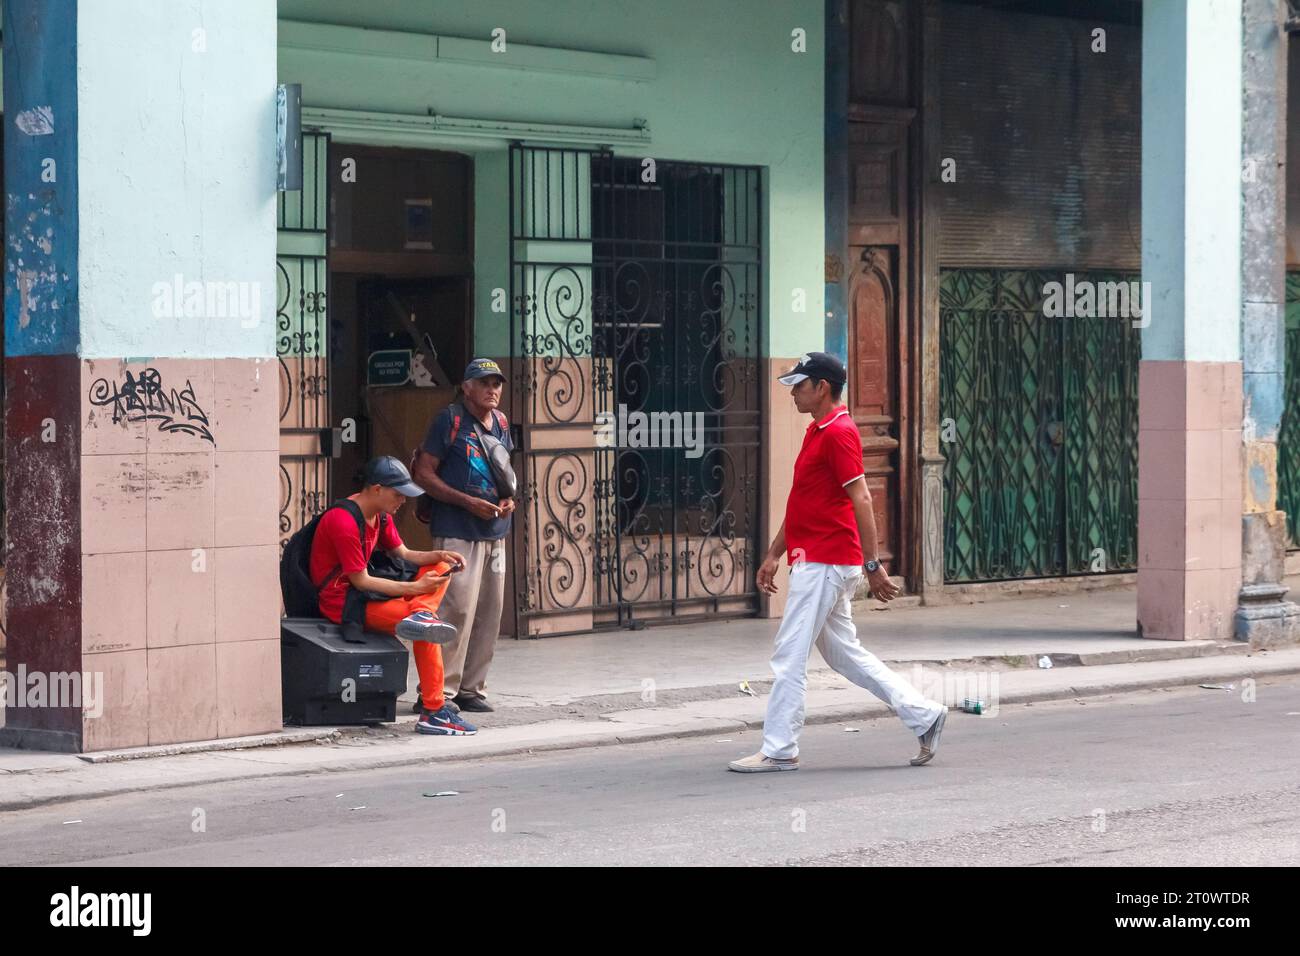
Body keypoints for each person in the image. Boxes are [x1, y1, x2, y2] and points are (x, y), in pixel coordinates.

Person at [728, 352, 949, 772]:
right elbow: (804, 505)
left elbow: (862, 498)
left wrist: (873, 563)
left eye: (800, 385)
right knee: (845, 654)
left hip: (827, 563)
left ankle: (780, 749)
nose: (794, 392)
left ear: (822, 388)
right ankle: (924, 714)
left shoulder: (839, 433)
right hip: (815, 559)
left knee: (790, 653)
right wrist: (774, 554)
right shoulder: (818, 430)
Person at [309, 455, 478, 736]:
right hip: (344, 601)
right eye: (398, 495)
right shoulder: (343, 520)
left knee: (442, 570)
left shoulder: (382, 515)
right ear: (376, 489)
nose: (403, 501)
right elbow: (360, 581)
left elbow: (405, 554)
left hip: (370, 591)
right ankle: (433, 711)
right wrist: (414, 589)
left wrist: (440, 556)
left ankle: (422, 613)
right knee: (427, 631)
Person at [411, 358, 514, 713]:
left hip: (494, 530)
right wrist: (466, 502)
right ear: (466, 386)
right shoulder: (449, 419)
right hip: (456, 530)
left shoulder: (500, 422)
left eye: (496, 383)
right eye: (484, 383)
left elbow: (503, 470)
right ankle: (439, 693)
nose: (492, 390)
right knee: (455, 610)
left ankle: (472, 688)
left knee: (490, 611)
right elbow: (424, 474)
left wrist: (507, 499)